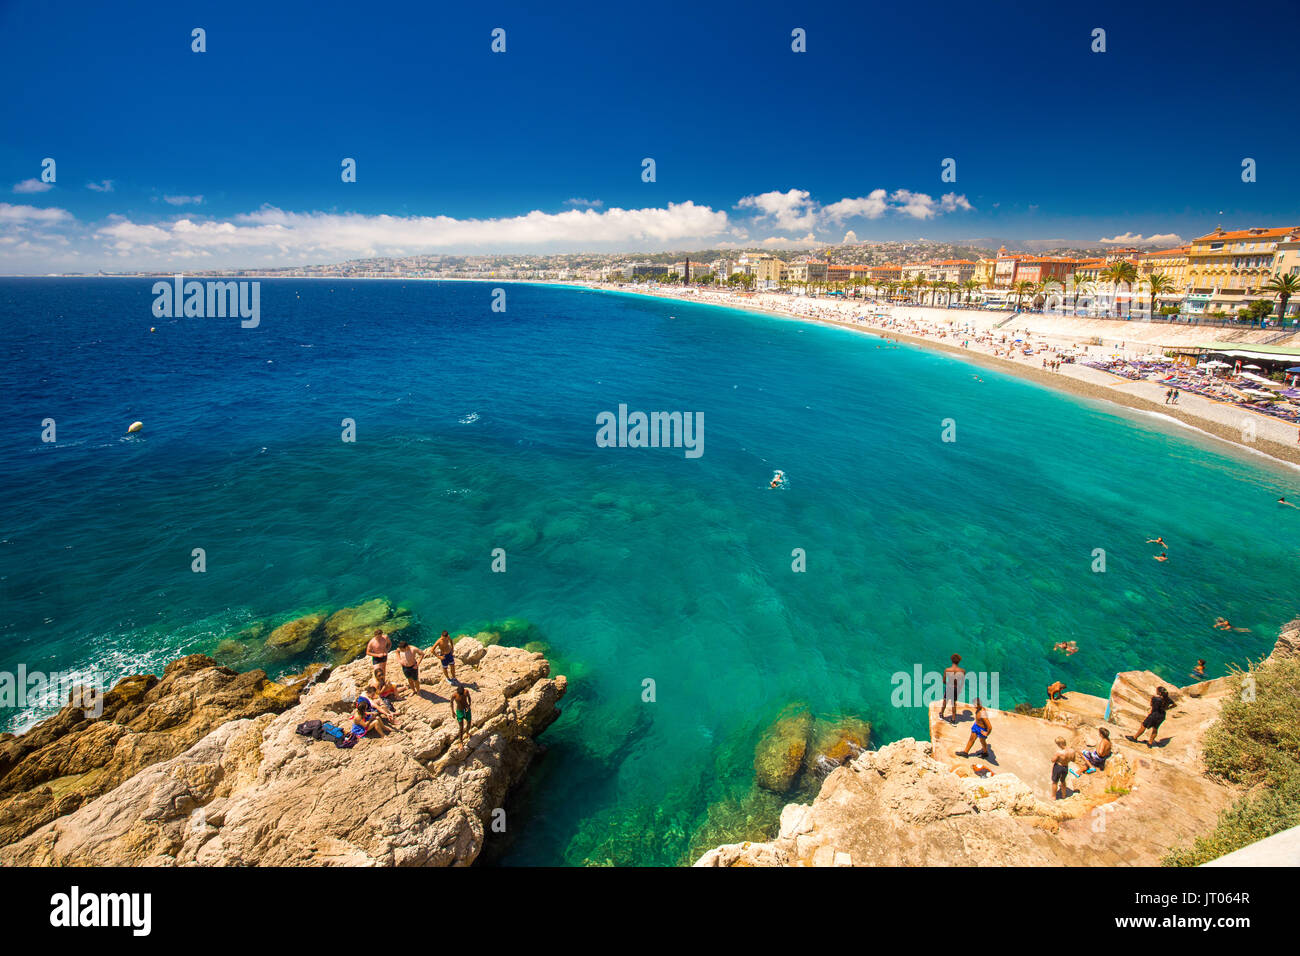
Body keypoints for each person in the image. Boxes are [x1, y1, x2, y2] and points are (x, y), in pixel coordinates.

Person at [939, 654, 965, 722]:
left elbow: (944, 681)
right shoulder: (962, 671)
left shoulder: (947, 670)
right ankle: (953, 719)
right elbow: (962, 683)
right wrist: (959, 689)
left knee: (945, 701)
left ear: (951, 660)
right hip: (956, 688)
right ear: (959, 661)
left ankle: (941, 714)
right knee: (954, 704)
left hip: (949, 687)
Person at [450, 684, 473, 750]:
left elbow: (469, 697)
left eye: (461, 693)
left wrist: (469, 705)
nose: (461, 695)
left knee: (469, 722)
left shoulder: (466, 692)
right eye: (460, 694)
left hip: (466, 709)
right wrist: (453, 712)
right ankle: (461, 742)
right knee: (461, 727)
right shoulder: (454, 695)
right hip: (459, 711)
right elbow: (451, 702)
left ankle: (467, 732)